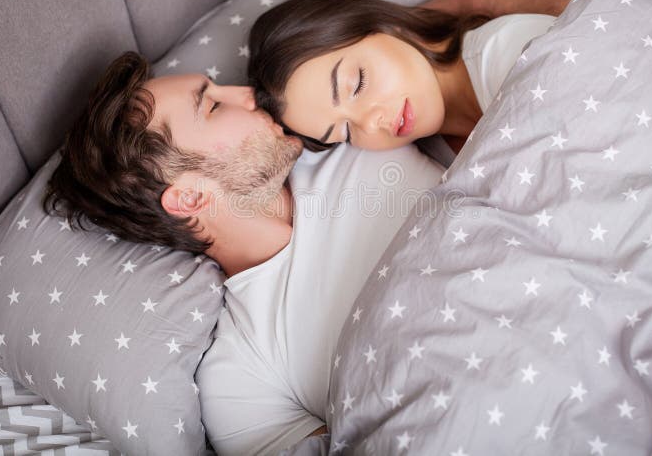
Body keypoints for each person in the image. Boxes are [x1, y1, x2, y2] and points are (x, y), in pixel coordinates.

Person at [44, 51, 444, 454]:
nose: (249, 93)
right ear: (189, 196)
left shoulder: (350, 134)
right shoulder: (244, 379)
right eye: (214, 105)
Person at [248, 0, 574, 161]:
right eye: (344, 132)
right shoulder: (434, 161)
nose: (371, 122)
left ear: (384, 26)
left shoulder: (511, 51)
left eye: (358, 83)